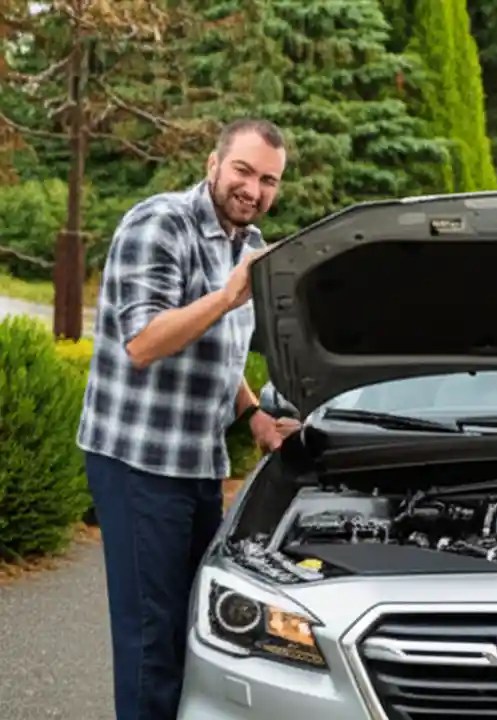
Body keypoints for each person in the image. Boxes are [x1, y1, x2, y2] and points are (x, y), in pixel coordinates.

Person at [76, 118, 299, 720]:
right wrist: (228, 296)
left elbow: (219, 354)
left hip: (198, 463)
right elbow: (144, 341)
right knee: (152, 636)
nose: (253, 190)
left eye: (269, 180)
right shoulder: (159, 224)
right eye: (244, 171)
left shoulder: (247, 249)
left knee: (196, 624)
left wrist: (253, 414)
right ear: (213, 164)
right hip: (137, 461)